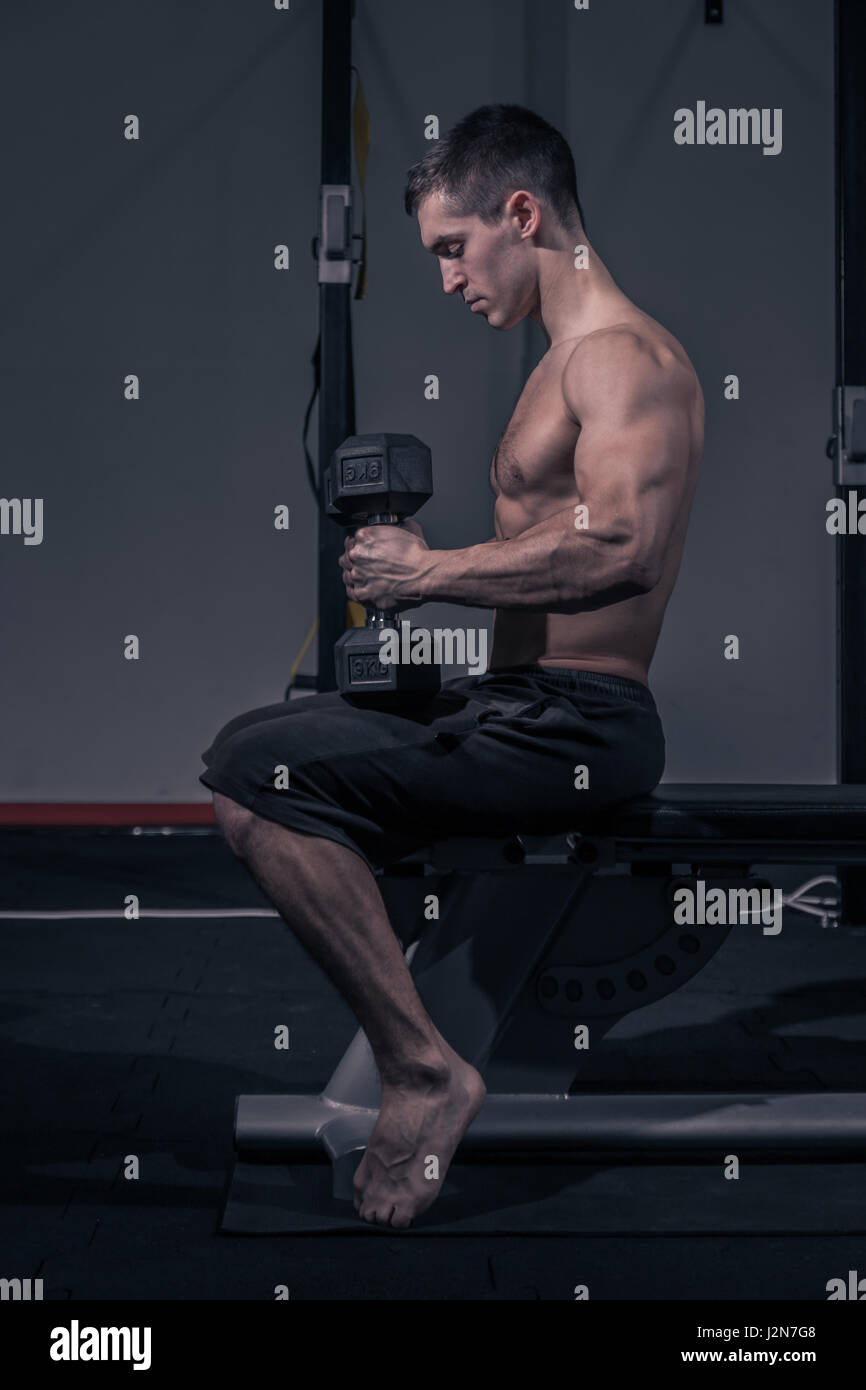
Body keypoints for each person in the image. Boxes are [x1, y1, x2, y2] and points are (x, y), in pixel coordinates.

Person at [201, 103, 703, 1229]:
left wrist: (429, 575)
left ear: (518, 213)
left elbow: (624, 548)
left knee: (251, 775)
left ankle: (424, 1068)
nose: (445, 279)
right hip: (526, 702)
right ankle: (424, 1044)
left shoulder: (621, 359)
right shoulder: (563, 360)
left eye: (450, 247)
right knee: (284, 740)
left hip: (578, 724)